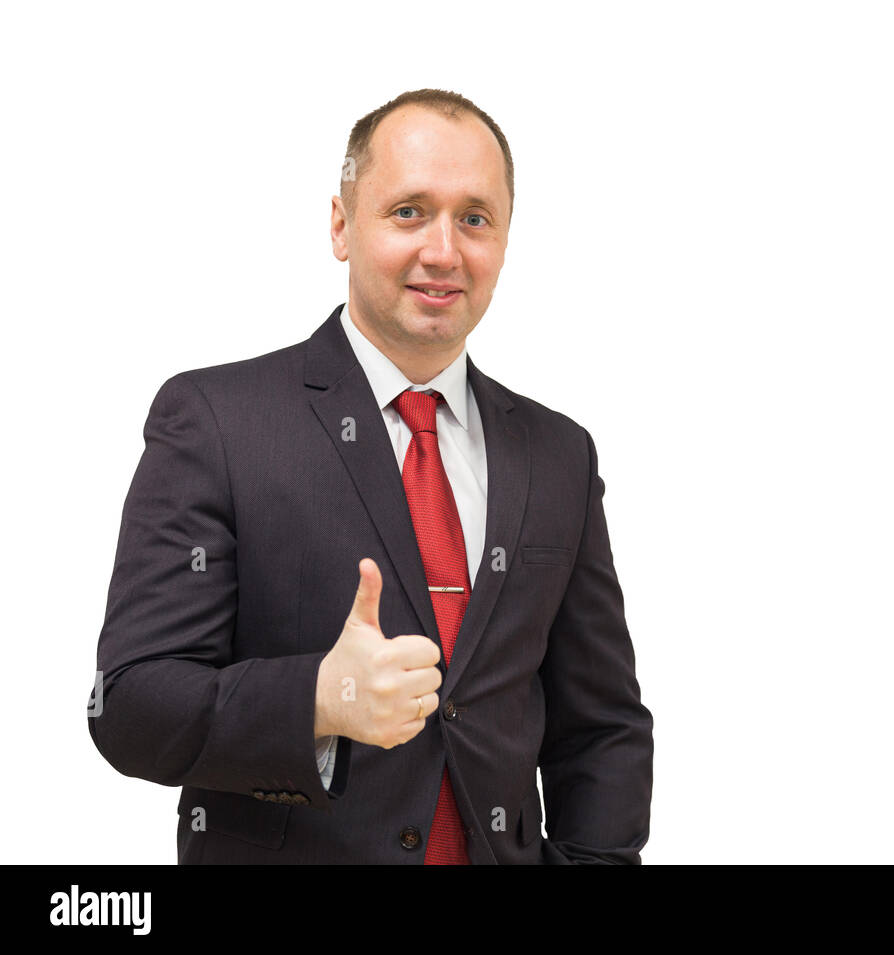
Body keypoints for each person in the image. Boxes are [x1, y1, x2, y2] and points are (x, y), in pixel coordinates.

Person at [88, 89, 654, 864]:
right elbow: (130, 704)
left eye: (475, 218)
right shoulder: (217, 422)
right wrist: (318, 699)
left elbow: (602, 727)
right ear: (341, 225)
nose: (444, 251)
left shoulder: (558, 452)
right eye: (409, 212)